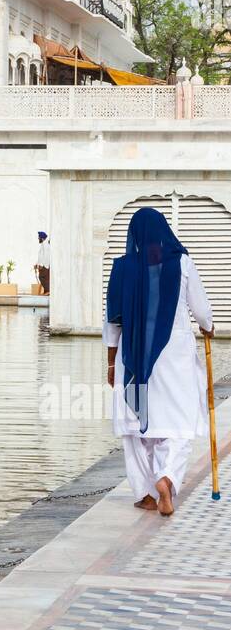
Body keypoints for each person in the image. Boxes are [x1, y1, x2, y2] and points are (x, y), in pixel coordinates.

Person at [104, 207, 214, 518]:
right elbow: (201, 308)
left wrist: (111, 364)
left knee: (136, 425)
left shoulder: (123, 268)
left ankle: (148, 495)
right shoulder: (182, 262)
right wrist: (208, 325)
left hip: (133, 356)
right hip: (174, 354)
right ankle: (166, 478)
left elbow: (113, 322)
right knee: (178, 422)